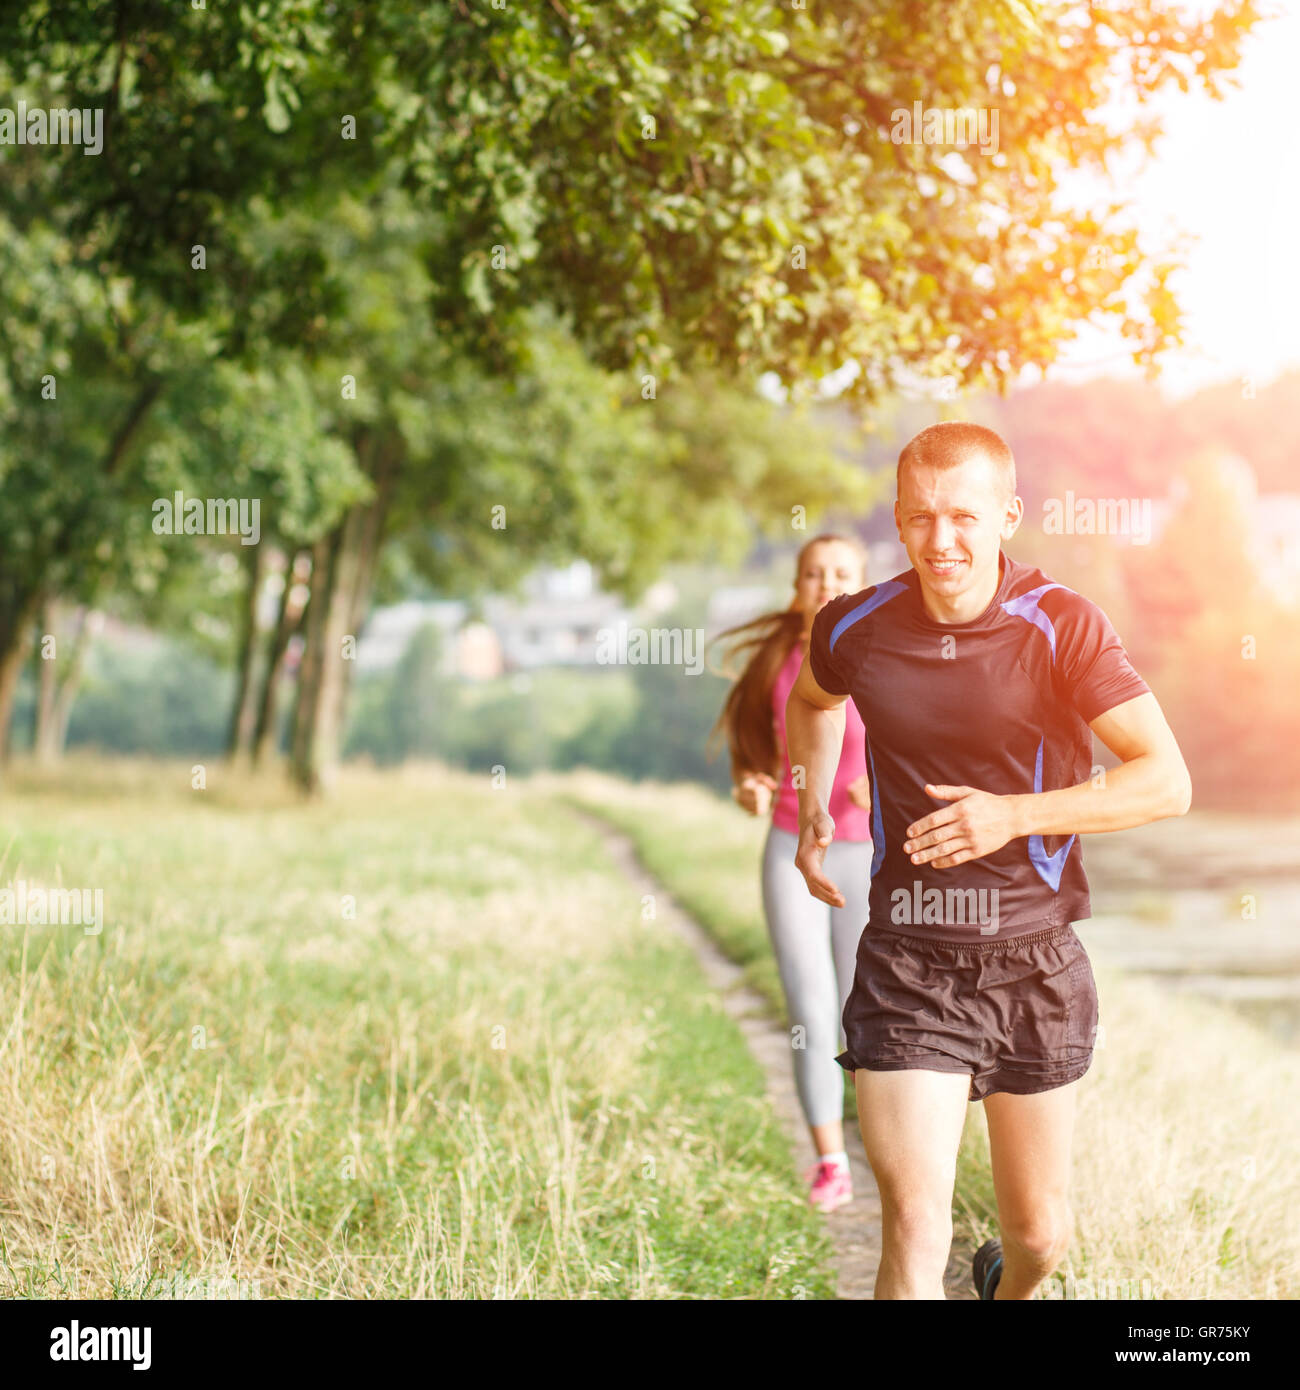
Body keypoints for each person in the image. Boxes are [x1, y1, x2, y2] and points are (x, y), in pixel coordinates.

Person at [785, 422, 1192, 1299]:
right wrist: (815, 798)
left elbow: (1166, 782)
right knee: (916, 1225)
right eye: (922, 518)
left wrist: (1012, 816)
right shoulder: (854, 626)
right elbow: (813, 703)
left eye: (964, 517)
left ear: (1007, 516)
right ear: (897, 519)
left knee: (1041, 1241)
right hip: (908, 959)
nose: (942, 543)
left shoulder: (1061, 626)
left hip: (1034, 959)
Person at [708, 534, 874, 1213]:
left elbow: (931, 753)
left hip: (869, 854)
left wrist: (884, 784)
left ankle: (896, 1159)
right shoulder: (777, 661)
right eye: (812, 574)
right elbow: (752, 756)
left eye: (841, 574)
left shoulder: (885, 655)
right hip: (789, 848)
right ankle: (832, 1163)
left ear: (864, 584)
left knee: (864, 1014)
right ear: (797, 586)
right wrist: (748, 784)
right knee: (811, 1012)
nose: (825, 584)